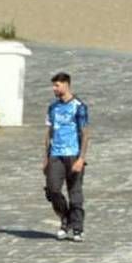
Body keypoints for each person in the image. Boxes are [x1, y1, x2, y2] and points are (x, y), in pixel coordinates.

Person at [44, 71, 90, 241]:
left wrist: (81, 158)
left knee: (75, 193)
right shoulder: (53, 108)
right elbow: (49, 133)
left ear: (66, 84)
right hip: (56, 154)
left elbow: (85, 134)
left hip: (73, 154)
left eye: (57, 85)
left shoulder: (79, 106)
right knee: (53, 190)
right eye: (53, 85)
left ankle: (77, 227)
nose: (54, 88)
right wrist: (45, 159)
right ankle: (66, 218)